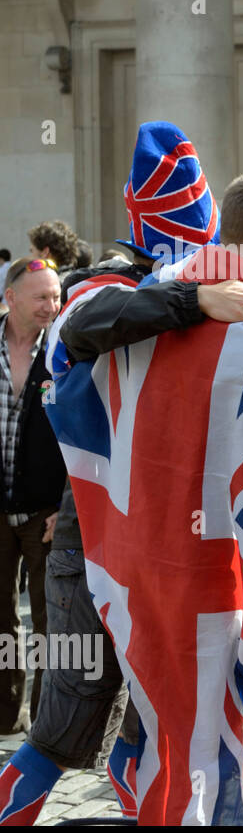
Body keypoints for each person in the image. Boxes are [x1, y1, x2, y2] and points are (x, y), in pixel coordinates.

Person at [45, 131, 243, 825]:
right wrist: (197, 302)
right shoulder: (121, 286)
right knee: (73, 729)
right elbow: (77, 332)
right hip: (111, 546)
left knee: (171, 721)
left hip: (157, 551)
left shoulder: (196, 289)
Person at [0, 258, 64, 737]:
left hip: (46, 510)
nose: (52, 306)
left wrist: (68, 504)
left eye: (56, 295)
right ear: (11, 299)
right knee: (2, 619)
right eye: (40, 297)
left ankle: (45, 725)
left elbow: (81, 432)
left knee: (49, 622)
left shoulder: (67, 352)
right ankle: (4, 716)